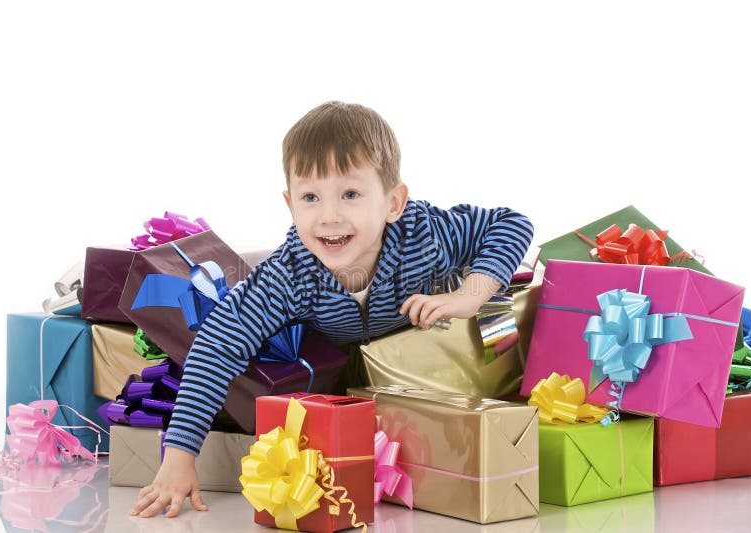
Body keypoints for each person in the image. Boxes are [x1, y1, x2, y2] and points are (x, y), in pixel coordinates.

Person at [131, 101, 533, 518]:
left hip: (431, 361)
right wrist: (180, 455)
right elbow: (217, 347)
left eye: (351, 194)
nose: (329, 216)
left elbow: (510, 223)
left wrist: (471, 293)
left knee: (492, 319)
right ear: (290, 205)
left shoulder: (422, 235)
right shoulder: (287, 274)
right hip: (353, 375)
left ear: (393, 203)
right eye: (310, 197)